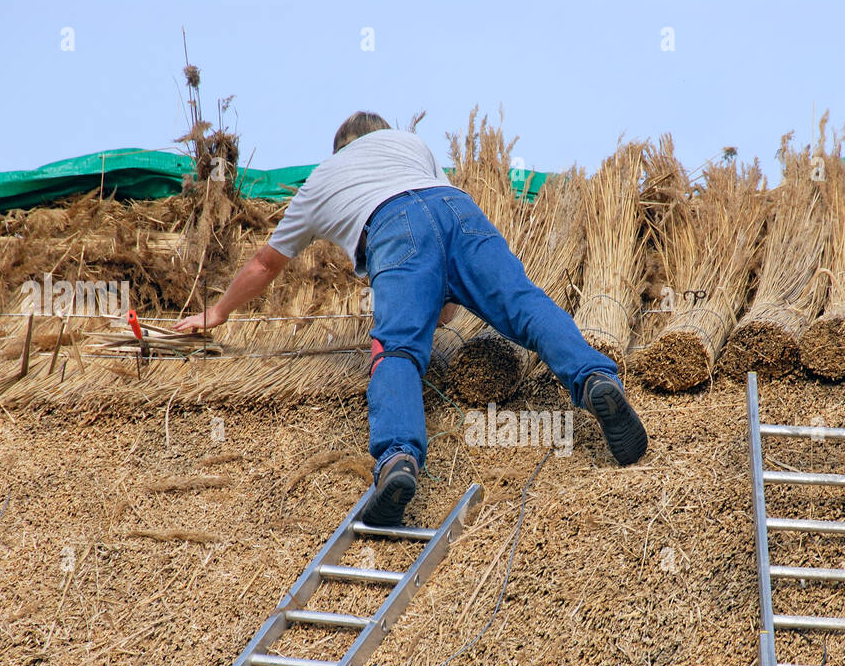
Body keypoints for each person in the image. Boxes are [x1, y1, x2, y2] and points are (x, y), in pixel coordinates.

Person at [174, 111, 647, 525]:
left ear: (340, 149)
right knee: (527, 306)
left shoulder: (322, 179)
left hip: (394, 227)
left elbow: (264, 264)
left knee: (396, 350)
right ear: (382, 134)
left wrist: (216, 312)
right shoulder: (410, 144)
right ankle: (595, 381)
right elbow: (442, 259)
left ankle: (398, 459)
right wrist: (440, 304)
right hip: (458, 209)